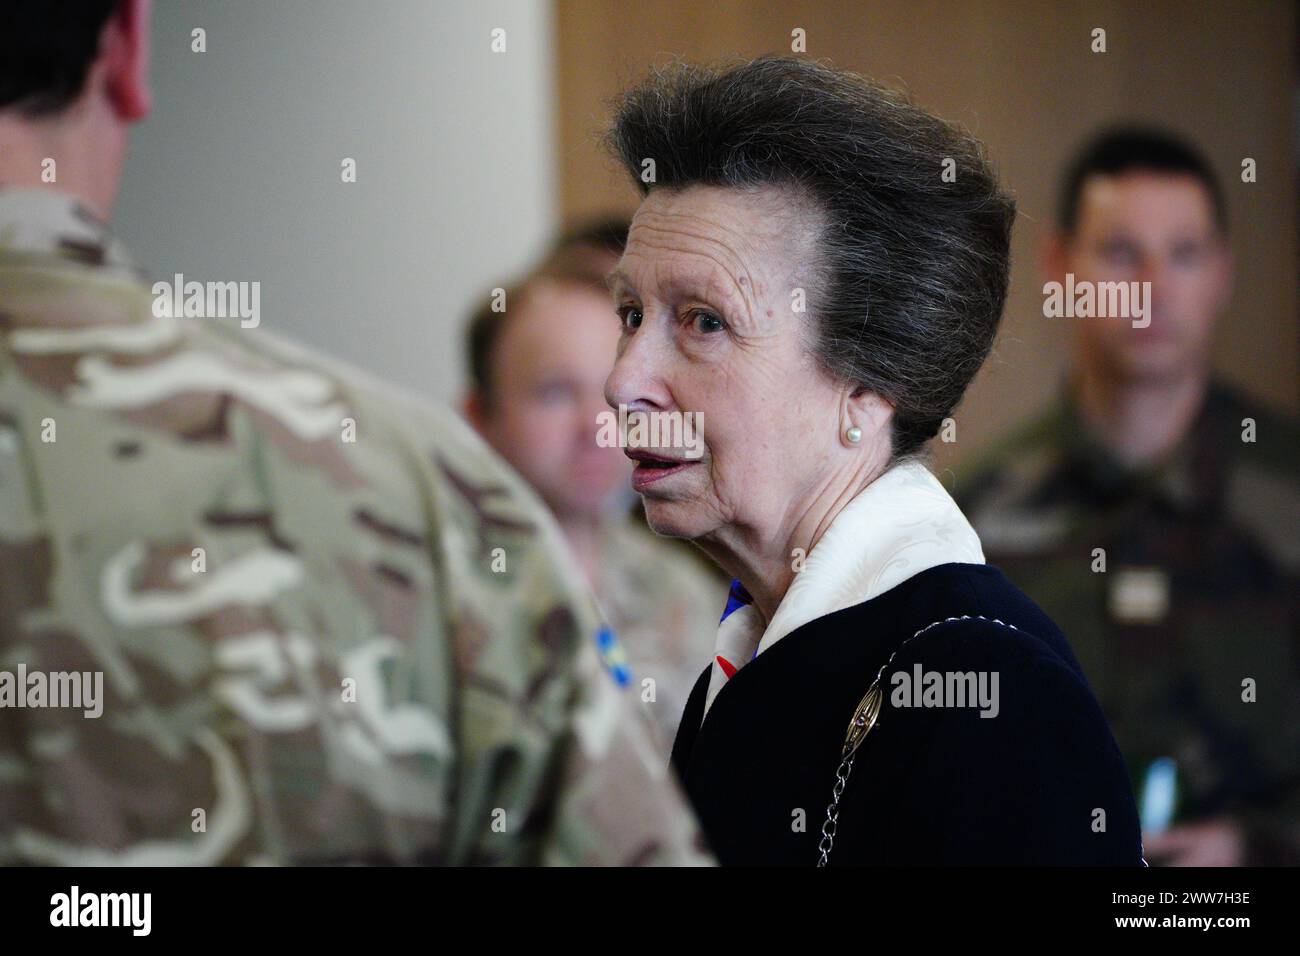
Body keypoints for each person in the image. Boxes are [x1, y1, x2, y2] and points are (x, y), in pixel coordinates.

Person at [0, 0, 709, 866]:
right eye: (554, 392)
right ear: (127, 49)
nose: (604, 423)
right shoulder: (422, 500)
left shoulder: (669, 596)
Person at [601, 55, 1143, 866]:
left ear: (869, 385)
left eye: (704, 321)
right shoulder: (755, 657)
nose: (622, 381)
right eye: (632, 312)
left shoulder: (986, 692)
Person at [957, 127, 1300, 865]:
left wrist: (1257, 848)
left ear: (1223, 274)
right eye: (1121, 254)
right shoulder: (972, 518)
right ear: (1059, 266)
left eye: (1184, 255)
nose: (1153, 289)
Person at [463, 227, 722, 744]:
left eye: (608, 391)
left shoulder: (685, 592)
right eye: (555, 393)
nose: (595, 425)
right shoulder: (437, 586)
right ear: (479, 417)